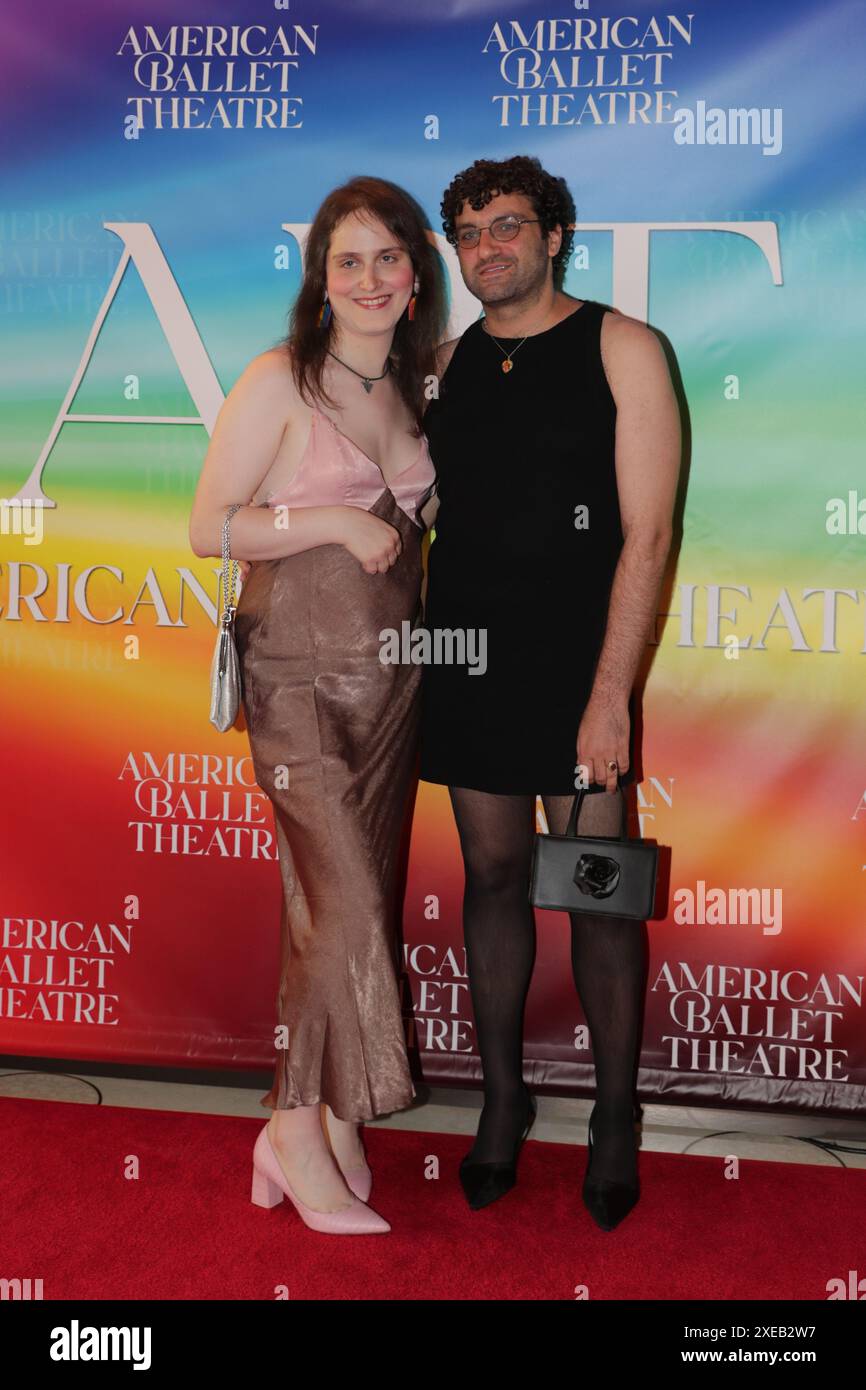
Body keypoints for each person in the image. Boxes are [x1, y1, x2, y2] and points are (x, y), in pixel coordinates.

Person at [419, 155, 681, 1227]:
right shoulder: (439, 364)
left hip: (580, 670)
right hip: (465, 658)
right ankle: (501, 1105)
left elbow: (648, 533)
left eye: (506, 227)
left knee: (597, 899)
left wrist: (609, 694)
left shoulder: (623, 347)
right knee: (490, 880)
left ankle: (613, 1119)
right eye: (468, 234)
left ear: (554, 234)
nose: (487, 249)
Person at [189, 176, 445, 1235]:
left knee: (335, 907)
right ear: (320, 279)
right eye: (349, 260)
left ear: (414, 273)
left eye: (389, 256)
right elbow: (211, 528)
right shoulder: (278, 381)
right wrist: (336, 527)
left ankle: (327, 1116)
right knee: (343, 907)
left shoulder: (411, 388)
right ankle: (295, 1128)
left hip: (388, 685)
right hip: (297, 679)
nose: (371, 277)